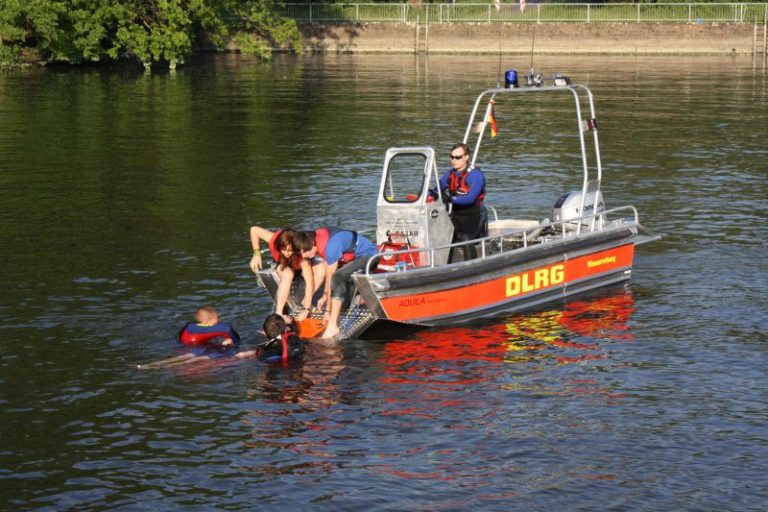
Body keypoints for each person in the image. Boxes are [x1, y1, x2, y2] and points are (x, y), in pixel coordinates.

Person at [293, 228, 379, 340]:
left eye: (305, 251)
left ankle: (333, 326)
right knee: (340, 297)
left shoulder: (331, 246)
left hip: (369, 255)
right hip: (355, 258)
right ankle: (358, 299)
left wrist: (328, 310)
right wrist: (324, 295)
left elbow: (331, 278)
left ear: (312, 243)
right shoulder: (317, 240)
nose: (304, 256)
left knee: (336, 278)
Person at [249, 226, 325, 321]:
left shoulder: (301, 254)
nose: (286, 253)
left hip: (299, 265)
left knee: (321, 269)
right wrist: (257, 254)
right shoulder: (275, 239)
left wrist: (306, 308)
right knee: (288, 274)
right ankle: (279, 313)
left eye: (290, 250)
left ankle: (305, 301)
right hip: (283, 265)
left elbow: (309, 282)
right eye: (283, 249)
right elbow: (254, 230)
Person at [437, 142, 487, 261]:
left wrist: (450, 199)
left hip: (474, 216)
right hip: (456, 215)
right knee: (440, 236)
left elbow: (470, 198)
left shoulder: (475, 175)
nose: (454, 160)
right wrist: (426, 196)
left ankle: (471, 267)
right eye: (452, 157)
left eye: (458, 157)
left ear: (466, 157)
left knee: (465, 238)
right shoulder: (450, 174)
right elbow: (436, 189)